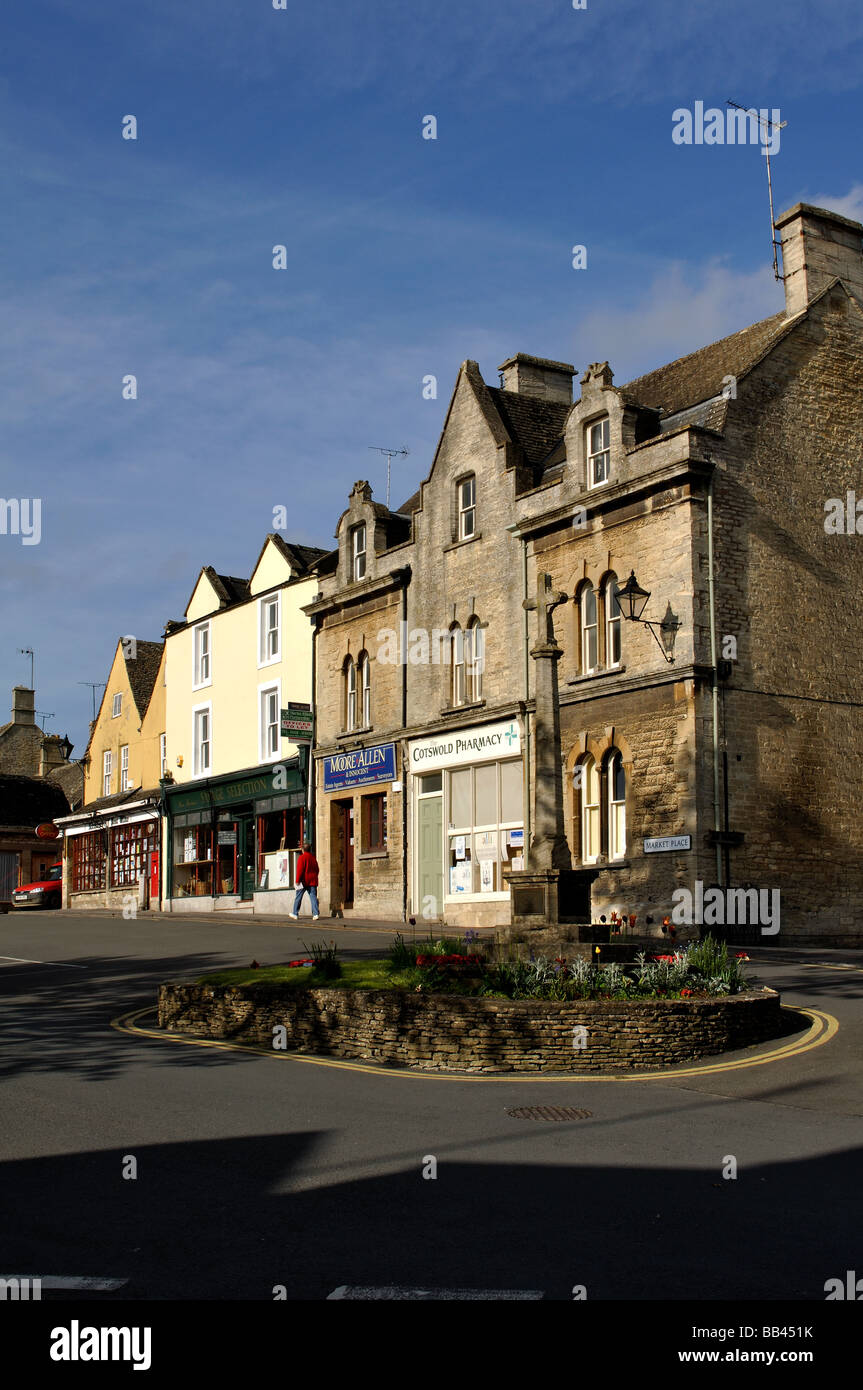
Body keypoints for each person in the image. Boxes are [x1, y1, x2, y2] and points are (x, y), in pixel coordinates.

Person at [288, 841, 321, 921]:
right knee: (313, 897)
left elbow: (300, 870)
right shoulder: (313, 858)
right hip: (312, 881)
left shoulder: (302, 857)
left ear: (303, 849)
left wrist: (297, 880)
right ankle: (315, 914)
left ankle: (295, 913)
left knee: (298, 897)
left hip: (303, 881)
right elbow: (317, 869)